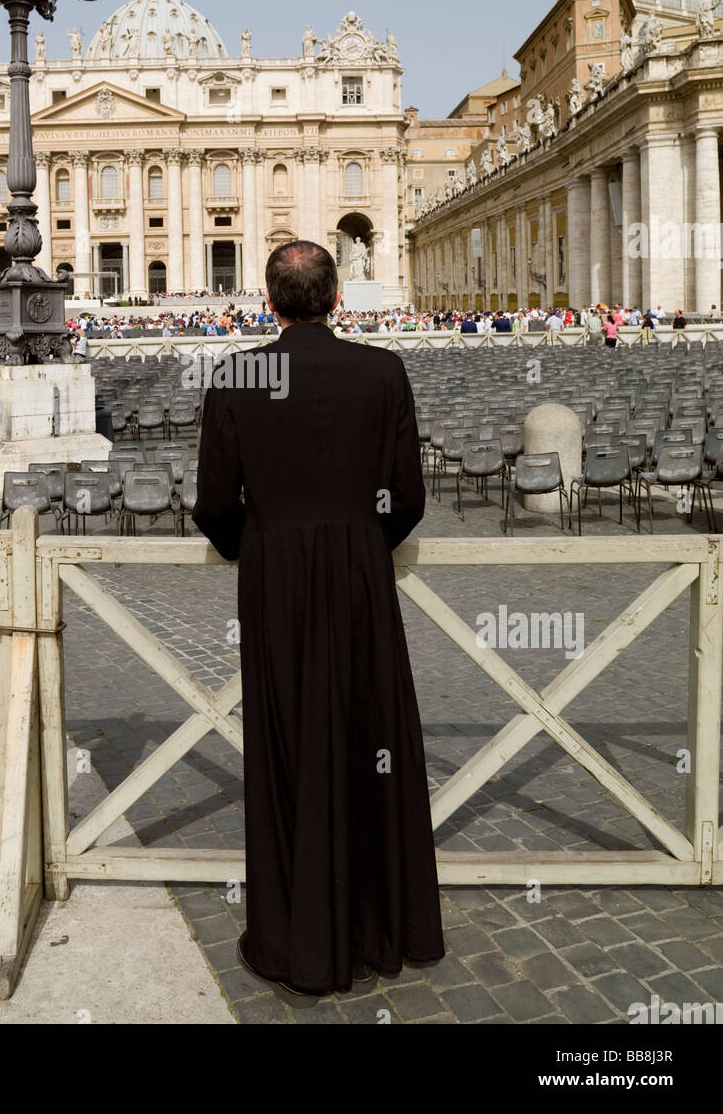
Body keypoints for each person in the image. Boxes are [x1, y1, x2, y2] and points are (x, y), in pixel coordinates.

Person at [194, 240, 443, 1005]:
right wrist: (362, 546)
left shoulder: (238, 373)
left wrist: (260, 545)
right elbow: (406, 498)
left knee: (287, 749)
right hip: (362, 581)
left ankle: (296, 939)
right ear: (337, 298)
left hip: (275, 584)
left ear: (268, 301)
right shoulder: (382, 371)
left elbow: (212, 506)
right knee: (371, 742)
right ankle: (382, 931)